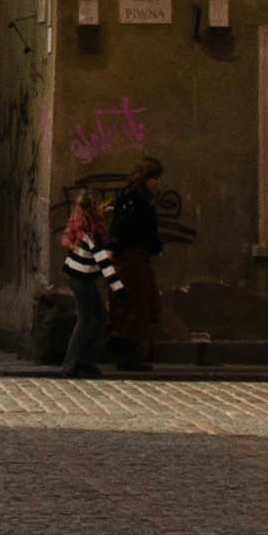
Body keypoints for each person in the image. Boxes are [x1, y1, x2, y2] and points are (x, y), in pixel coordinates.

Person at [104, 161, 167, 374]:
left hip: (133, 256)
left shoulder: (129, 199)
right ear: (145, 179)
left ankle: (128, 350)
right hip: (132, 257)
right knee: (136, 304)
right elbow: (129, 229)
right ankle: (128, 354)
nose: (158, 183)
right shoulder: (136, 201)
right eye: (155, 179)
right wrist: (154, 245)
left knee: (140, 303)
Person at [56, 186, 121, 378]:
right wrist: (118, 287)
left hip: (83, 277)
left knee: (99, 316)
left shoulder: (85, 221)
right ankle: (72, 364)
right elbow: (100, 258)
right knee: (86, 319)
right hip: (80, 277)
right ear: (93, 208)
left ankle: (84, 361)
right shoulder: (88, 227)